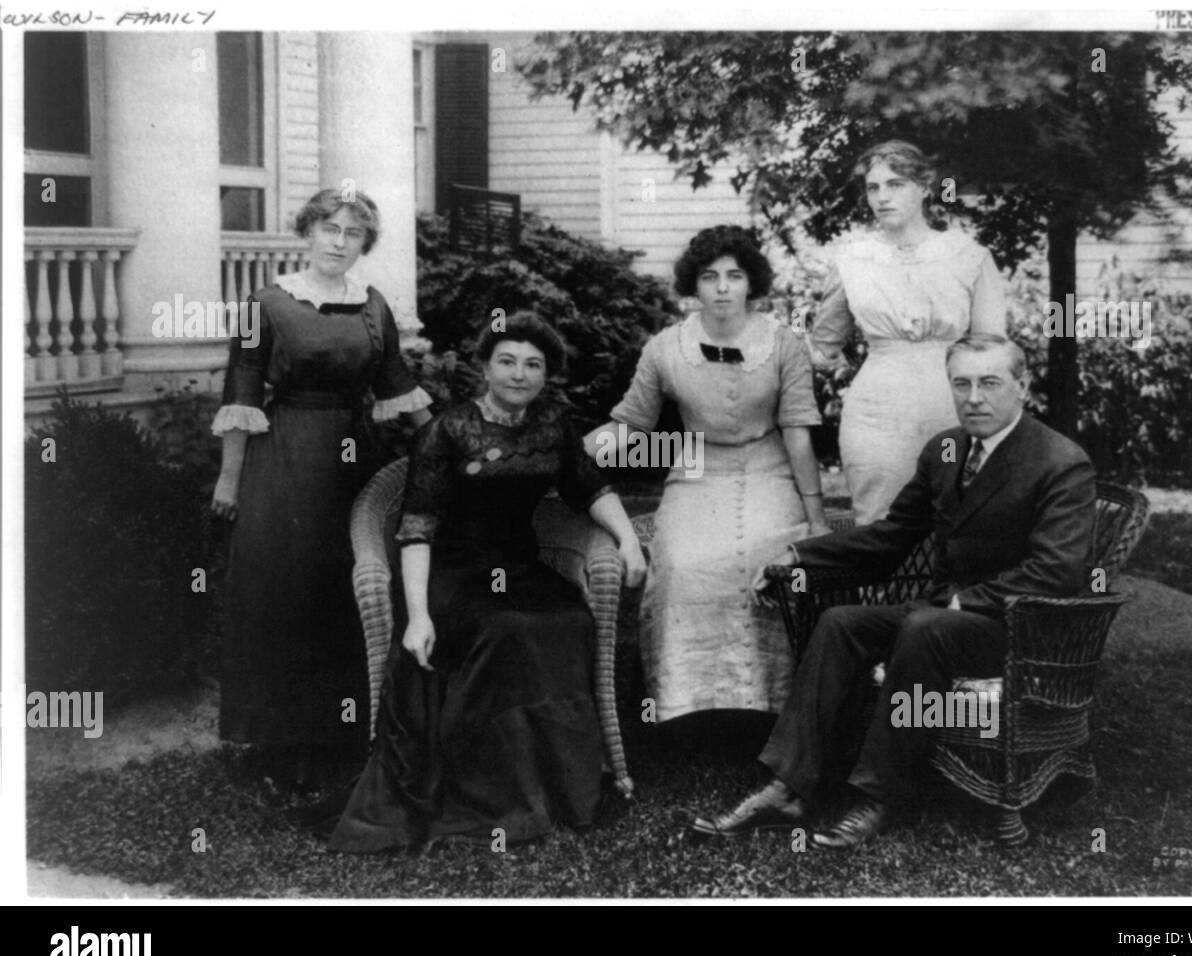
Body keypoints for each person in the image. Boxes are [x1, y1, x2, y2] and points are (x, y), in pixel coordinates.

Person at [692, 334, 1096, 848]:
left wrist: (961, 602)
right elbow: (891, 538)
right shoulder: (946, 449)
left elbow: (1057, 570)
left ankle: (882, 797)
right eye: (962, 383)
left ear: (1023, 386)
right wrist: (801, 555)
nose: (974, 397)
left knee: (925, 626)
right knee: (844, 623)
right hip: (941, 619)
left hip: (1020, 629)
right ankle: (790, 786)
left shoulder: (1060, 461)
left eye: (990, 383)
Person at [329, 312, 646, 852]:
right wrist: (420, 615)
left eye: (533, 365)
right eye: (507, 361)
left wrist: (629, 540)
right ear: (484, 367)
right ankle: (495, 794)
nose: (519, 374)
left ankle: (559, 786)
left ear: (547, 375)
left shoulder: (553, 428)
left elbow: (590, 488)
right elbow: (416, 528)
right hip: (451, 575)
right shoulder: (447, 430)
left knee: (568, 619)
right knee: (506, 628)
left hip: (520, 570)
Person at [211, 188, 433, 787]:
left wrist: (443, 448)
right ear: (307, 232)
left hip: (354, 457)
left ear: (364, 244)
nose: (339, 241)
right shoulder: (267, 304)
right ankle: (280, 744)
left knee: (350, 584)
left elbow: (398, 387)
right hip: (284, 458)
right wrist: (230, 480)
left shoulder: (372, 304)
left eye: (352, 233)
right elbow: (242, 394)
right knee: (286, 589)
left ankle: (348, 732)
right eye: (329, 228)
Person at [585, 225, 829, 724]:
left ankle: (776, 703)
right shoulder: (665, 348)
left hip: (771, 472)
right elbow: (630, 424)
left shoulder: (785, 344)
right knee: (678, 562)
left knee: (771, 560)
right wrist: (563, 454)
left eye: (734, 276)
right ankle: (683, 703)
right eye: (709, 277)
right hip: (696, 473)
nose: (722, 287)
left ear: (750, 283)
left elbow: (799, 433)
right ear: (693, 286)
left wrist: (817, 520)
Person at [811, 140, 1006, 524]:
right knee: (879, 519)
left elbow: (992, 350)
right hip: (875, 413)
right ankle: (882, 587)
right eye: (873, 187)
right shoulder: (853, 260)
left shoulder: (968, 256)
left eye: (896, 184)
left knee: (958, 519)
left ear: (925, 187)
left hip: (952, 404)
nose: (883, 197)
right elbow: (822, 346)